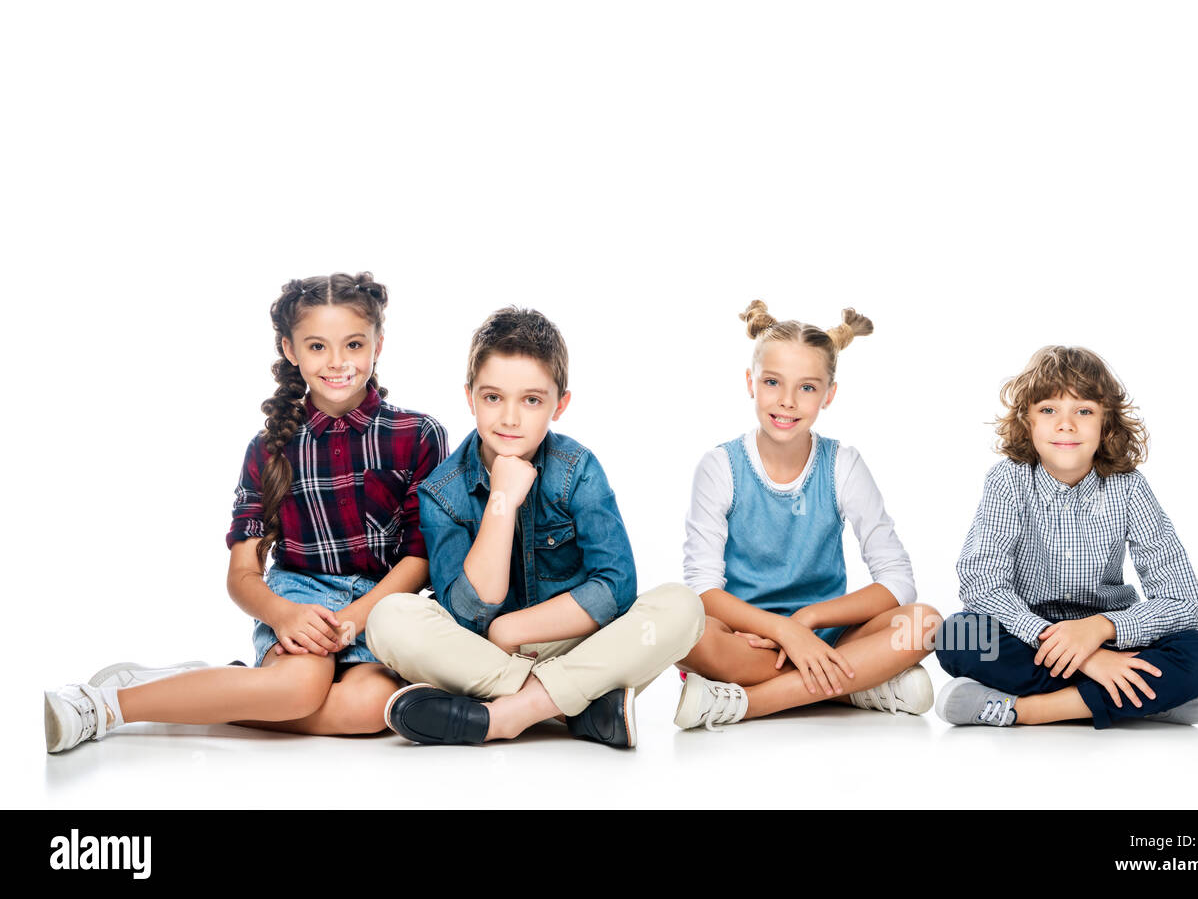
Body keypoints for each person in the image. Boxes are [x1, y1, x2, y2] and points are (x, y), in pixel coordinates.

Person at [44, 272, 447, 752]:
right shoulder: (269, 448)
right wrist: (283, 614)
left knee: (369, 710)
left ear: (378, 345)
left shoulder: (419, 434)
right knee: (299, 688)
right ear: (290, 350)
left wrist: (355, 620)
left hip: (384, 610)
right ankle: (108, 705)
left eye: (354, 344)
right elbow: (242, 574)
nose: (338, 362)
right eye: (317, 347)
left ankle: (205, 690)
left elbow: (421, 557)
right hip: (300, 598)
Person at [366, 306, 705, 749]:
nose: (510, 418)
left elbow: (616, 586)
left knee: (681, 607)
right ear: (470, 397)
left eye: (531, 400)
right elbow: (469, 614)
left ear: (559, 404)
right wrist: (502, 501)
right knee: (388, 618)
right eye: (493, 398)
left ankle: (505, 715)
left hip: (579, 646)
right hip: (482, 656)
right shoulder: (442, 492)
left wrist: (514, 629)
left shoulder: (576, 469)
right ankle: (574, 705)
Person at [672, 300, 941, 731]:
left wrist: (807, 621)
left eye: (808, 388)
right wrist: (782, 631)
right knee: (684, 631)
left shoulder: (843, 465)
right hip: (748, 640)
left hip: (828, 636)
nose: (787, 401)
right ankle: (857, 686)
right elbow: (703, 589)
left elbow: (897, 581)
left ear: (829, 394)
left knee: (926, 624)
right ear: (750, 383)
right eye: (773, 382)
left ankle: (749, 703)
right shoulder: (720, 466)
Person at [933, 345, 1198, 728]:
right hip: (1031, 641)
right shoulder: (1008, 481)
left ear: (1106, 424)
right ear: (1028, 422)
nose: (1066, 424)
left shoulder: (1129, 488)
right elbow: (982, 583)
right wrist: (1083, 656)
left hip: (1114, 638)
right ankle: (1150, 701)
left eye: (1084, 411)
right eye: (1048, 410)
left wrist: (1099, 631)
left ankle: (1030, 710)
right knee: (958, 635)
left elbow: (1183, 599)